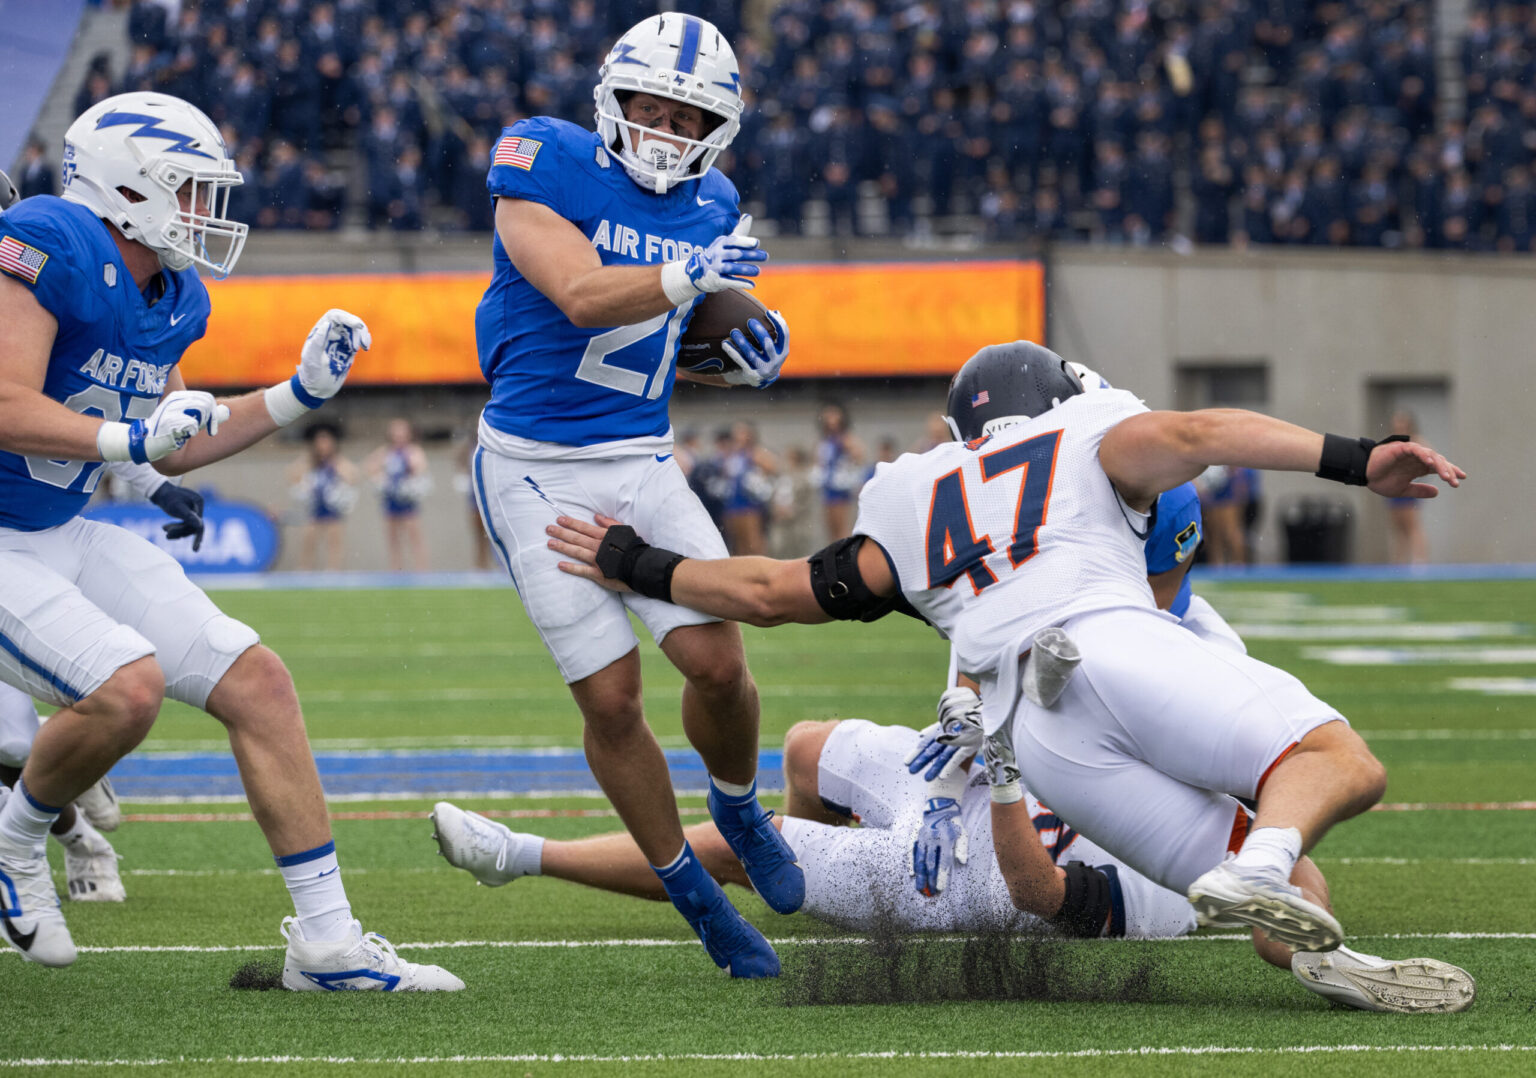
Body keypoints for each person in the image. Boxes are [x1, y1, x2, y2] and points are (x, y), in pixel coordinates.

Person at [547, 340, 1473, 1012]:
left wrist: (637, 563)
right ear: (1062, 392)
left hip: (1037, 733)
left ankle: (1307, 933)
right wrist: (1357, 460)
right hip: (1109, 641)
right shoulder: (1088, 432)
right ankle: (1262, 865)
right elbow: (1202, 430)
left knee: (1289, 907)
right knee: (1339, 761)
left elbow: (770, 592)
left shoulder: (915, 498)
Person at [0, 91, 461, 989]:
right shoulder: (54, 238)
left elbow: (179, 423)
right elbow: (7, 404)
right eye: (192, 189)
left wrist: (297, 393)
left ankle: (326, 944)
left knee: (257, 680)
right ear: (129, 187)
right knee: (127, 690)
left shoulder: (171, 293)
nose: (209, 212)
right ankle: (16, 843)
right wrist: (131, 447)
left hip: (57, 527)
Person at [433, 699, 1469, 1011]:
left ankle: (521, 855)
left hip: (981, 869)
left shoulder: (1185, 887)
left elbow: (1039, 887)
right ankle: (823, 868)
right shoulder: (1210, 774)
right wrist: (978, 719)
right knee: (808, 746)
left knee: (742, 847)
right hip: (979, 780)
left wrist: (1013, 775)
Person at [467, 15, 796, 979]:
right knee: (613, 700)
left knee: (719, 665)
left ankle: (736, 802)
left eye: (687, 112)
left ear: (720, 126)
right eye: (649, 104)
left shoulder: (715, 199)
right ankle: (692, 891)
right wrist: (683, 275)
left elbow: (650, 352)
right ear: (612, 100)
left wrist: (739, 360)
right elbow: (576, 296)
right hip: (533, 465)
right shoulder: (544, 160)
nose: (663, 125)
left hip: (642, 457)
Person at [287, 421, 356, 572]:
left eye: (326, 441)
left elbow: (352, 477)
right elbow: (293, 474)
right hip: (314, 508)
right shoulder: (309, 462)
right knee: (309, 540)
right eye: (320, 442)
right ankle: (305, 568)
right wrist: (304, 488)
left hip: (332, 509)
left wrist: (339, 484)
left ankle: (333, 569)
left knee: (334, 540)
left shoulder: (338, 462)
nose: (323, 446)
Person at [366, 417, 431, 572]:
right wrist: (379, 478)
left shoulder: (413, 450)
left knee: (414, 537)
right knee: (393, 539)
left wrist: (411, 472)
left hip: (408, 500)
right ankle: (396, 570)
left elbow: (421, 467)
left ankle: (421, 570)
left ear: (408, 433)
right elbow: (369, 466)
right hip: (391, 499)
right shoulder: (386, 451)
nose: (399, 434)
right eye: (395, 431)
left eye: (402, 431)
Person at [815, 402, 866, 541]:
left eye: (833, 415)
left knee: (842, 528)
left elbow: (859, 455)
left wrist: (846, 449)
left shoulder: (845, 438)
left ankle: (844, 557)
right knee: (830, 529)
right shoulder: (825, 440)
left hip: (841, 488)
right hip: (828, 486)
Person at [1386, 410, 1429, 565]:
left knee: (1412, 525)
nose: (1399, 426)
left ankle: (1419, 561)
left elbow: (1429, 459)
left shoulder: (1416, 441)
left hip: (1408, 488)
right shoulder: (1392, 442)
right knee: (1398, 527)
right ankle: (1399, 562)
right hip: (1394, 489)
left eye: (1402, 422)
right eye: (1396, 423)